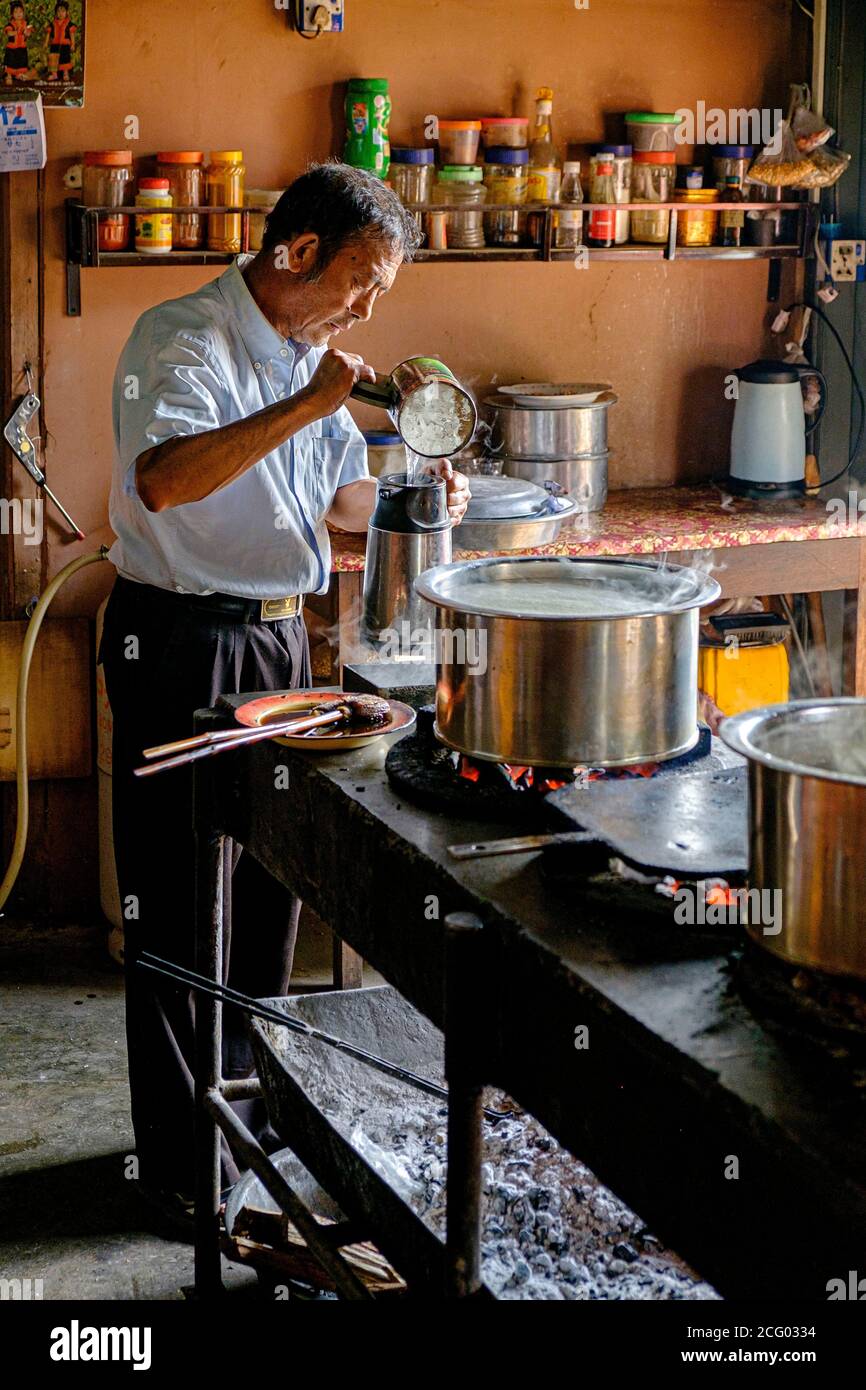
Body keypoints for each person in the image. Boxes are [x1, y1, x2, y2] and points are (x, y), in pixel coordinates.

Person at [99, 162, 470, 1222]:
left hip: (274, 649)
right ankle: (179, 1171)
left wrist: (408, 492)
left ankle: (250, 1137)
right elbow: (165, 478)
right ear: (296, 251)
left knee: (263, 896)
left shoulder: (311, 360)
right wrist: (308, 400)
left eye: (379, 295)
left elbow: (337, 500)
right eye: (361, 282)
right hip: (178, 642)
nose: (366, 309)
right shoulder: (181, 340)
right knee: (177, 905)